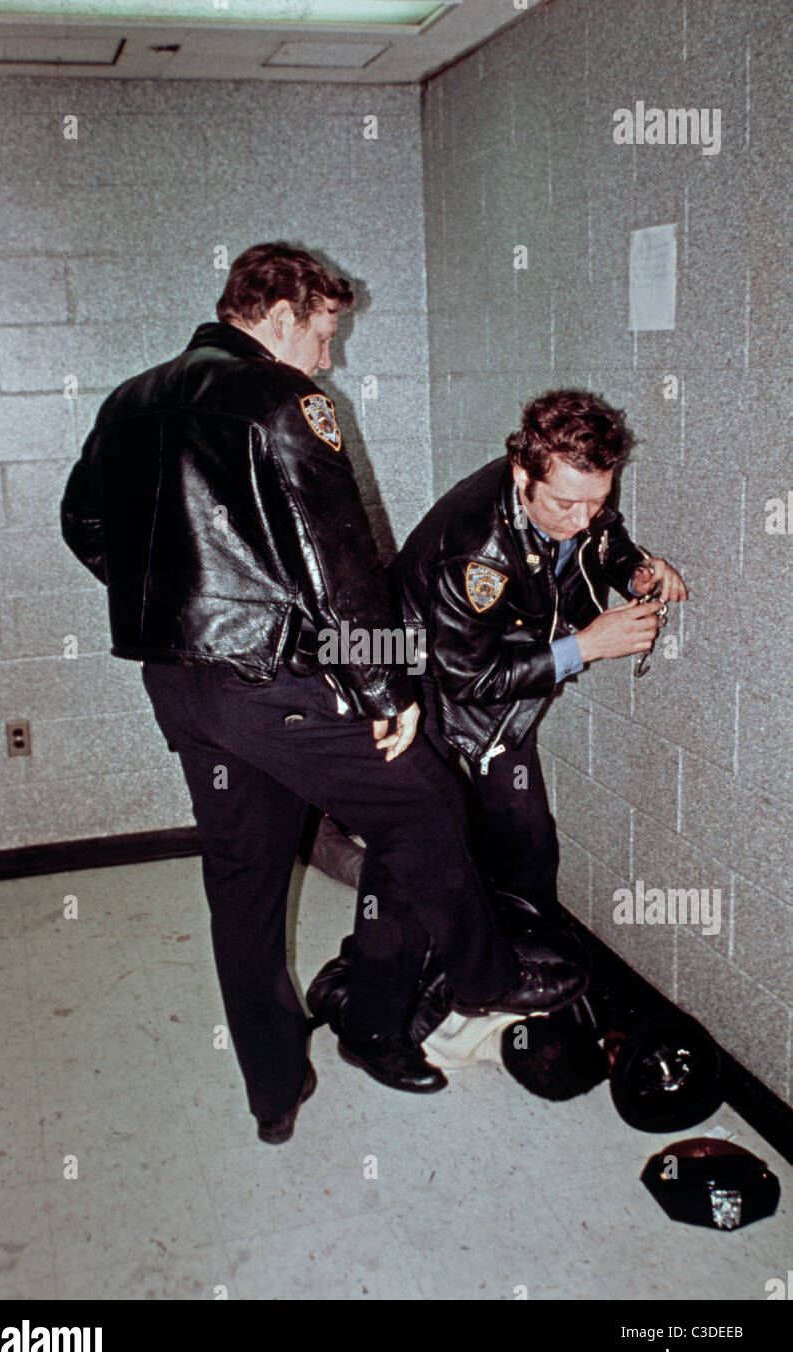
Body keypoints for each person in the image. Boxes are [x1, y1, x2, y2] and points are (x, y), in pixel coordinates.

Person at [60, 245, 587, 1143]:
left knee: (243, 881)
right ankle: (487, 975)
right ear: (278, 316)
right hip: (275, 685)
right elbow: (340, 564)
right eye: (325, 332)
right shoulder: (284, 401)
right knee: (425, 799)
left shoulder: (130, 399)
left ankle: (273, 1089)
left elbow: (84, 523)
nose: (329, 356)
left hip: (181, 688)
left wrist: (177, 603)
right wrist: (386, 692)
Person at [338, 388, 688, 1029]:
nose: (584, 518)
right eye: (566, 503)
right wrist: (584, 646)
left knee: (526, 839)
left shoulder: (573, 499)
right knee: (416, 855)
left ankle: (516, 975)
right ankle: (378, 1013)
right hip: (424, 692)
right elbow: (465, 675)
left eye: (598, 500)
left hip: (505, 689)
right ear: (522, 473)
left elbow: (602, 542)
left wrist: (637, 571)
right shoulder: (478, 548)